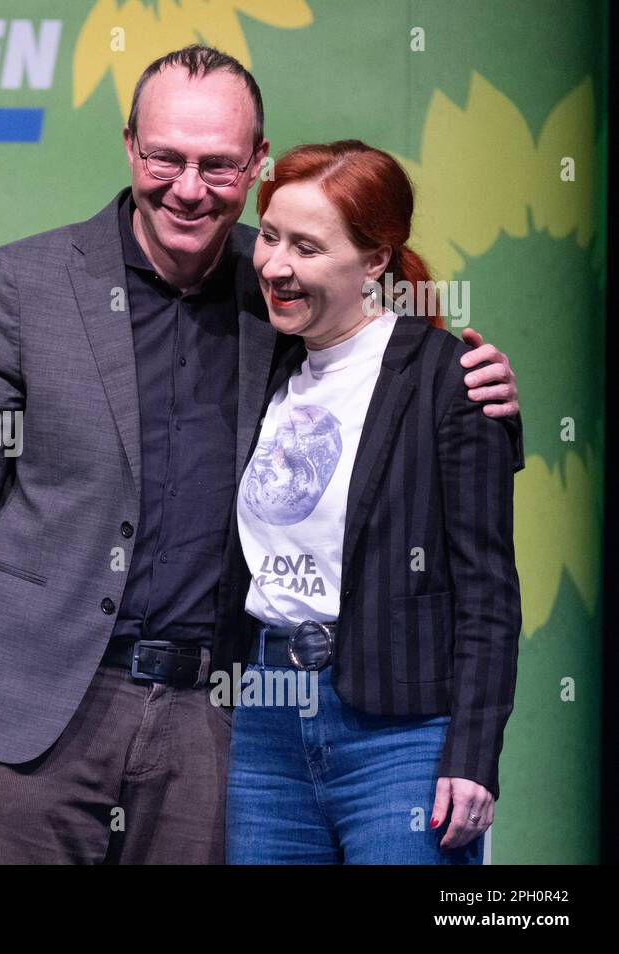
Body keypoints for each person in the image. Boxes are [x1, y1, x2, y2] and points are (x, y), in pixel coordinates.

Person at [0, 45, 522, 864]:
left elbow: (389, 389)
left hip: (217, 723)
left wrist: (490, 410)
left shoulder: (283, 284)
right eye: (166, 157)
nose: (188, 188)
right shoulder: (28, 283)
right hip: (38, 718)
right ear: (130, 146)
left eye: (219, 166)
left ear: (257, 165)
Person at [220, 140, 520, 864]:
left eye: (308, 247)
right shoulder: (264, 359)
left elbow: (488, 592)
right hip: (261, 723)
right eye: (269, 236)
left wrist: (473, 755)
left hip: (402, 735)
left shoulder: (450, 380)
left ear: (376, 261)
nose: (276, 265)